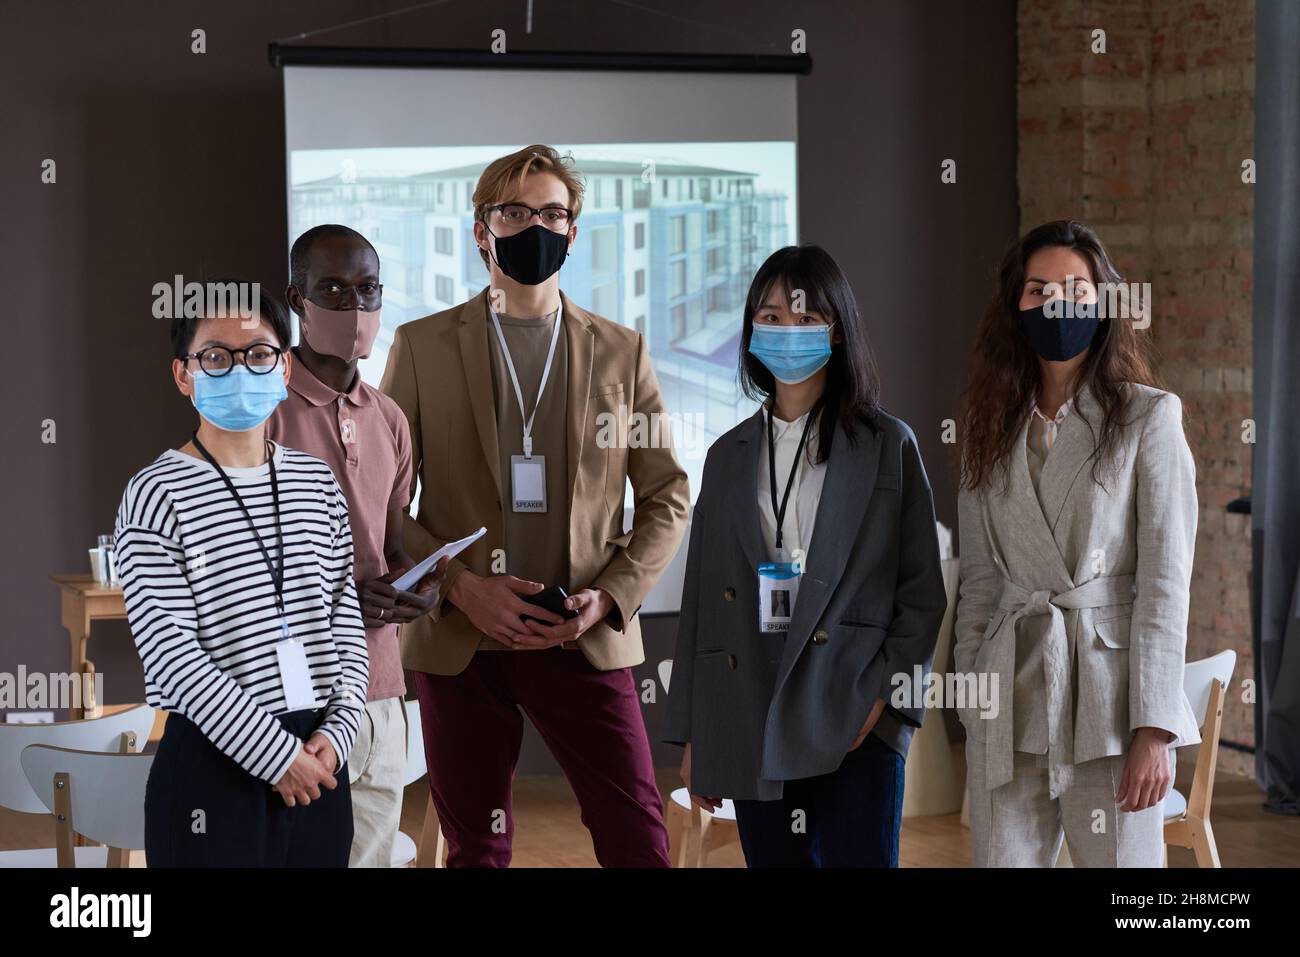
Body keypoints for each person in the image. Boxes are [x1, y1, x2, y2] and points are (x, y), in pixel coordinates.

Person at [380, 145, 690, 867]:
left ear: (574, 232)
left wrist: (609, 596)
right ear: (481, 229)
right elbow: (384, 503)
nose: (536, 227)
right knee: (477, 850)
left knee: (638, 839)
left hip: (579, 633)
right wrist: (459, 587)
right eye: (516, 212)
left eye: (553, 213)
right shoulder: (421, 346)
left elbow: (668, 494)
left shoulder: (622, 351)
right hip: (463, 641)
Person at [662, 244, 948, 867]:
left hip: (855, 714)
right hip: (753, 711)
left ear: (836, 330)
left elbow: (922, 592)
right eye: (769, 317)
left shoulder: (887, 445)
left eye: (804, 317)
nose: (785, 331)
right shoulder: (728, 455)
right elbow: (703, 605)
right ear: (749, 331)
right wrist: (700, 736)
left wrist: (889, 703)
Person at [954, 219, 1202, 867]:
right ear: (1016, 305)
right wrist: (972, 689)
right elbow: (979, 579)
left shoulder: (1148, 417)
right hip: (1010, 695)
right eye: (1038, 290)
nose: (1056, 303)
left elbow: (1165, 583)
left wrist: (1155, 727)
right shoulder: (988, 429)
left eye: (1075, 288)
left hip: (1111, 699)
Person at [114, 286, 369, 866]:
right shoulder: (156, 493)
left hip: (320, 762)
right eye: (215, 356)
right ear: (183, 375)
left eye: (258, 354)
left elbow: (344, 624)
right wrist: (275, 758)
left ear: (283, 368)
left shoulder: (316, 483)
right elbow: (172, 658)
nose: (239, 369)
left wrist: (337, 736)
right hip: (213, 764)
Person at [267, 225, 444, 867]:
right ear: (297, 298)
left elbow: (392, 541)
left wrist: (421, 587)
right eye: (333, 291)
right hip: (294, 698)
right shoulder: (262, 410)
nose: (354, 308)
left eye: (367, 290)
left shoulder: (390, 418)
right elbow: (239, 561)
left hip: (381, 689)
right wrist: (340, 600)